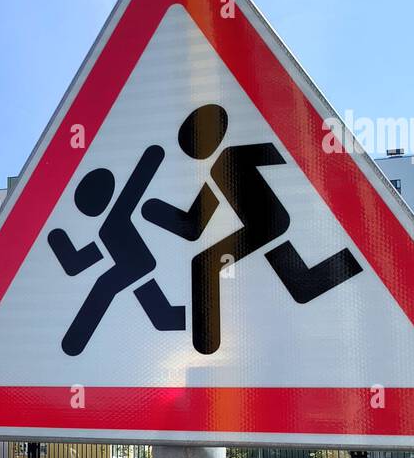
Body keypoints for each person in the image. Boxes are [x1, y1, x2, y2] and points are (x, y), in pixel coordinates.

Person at [143, 104, 362, 355]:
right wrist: (155, 211)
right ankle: (351, 262)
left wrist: (153, 210)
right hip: (269, 226)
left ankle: (207, 343)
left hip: (265, 224)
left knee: (205, 264)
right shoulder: (220, 168)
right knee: (301, 284)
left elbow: (290, 156)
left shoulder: (232, 158)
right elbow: (194, 225)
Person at [48, 146, 184, 356]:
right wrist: (59, 244)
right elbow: (79, 262)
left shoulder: (115, 217)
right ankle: (73, 344)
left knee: (106, 287)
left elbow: (141, 176)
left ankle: (73, 343)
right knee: (161, 314)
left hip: (136, 264)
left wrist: (59, 242)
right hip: (136, 265)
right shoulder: (108, 225)